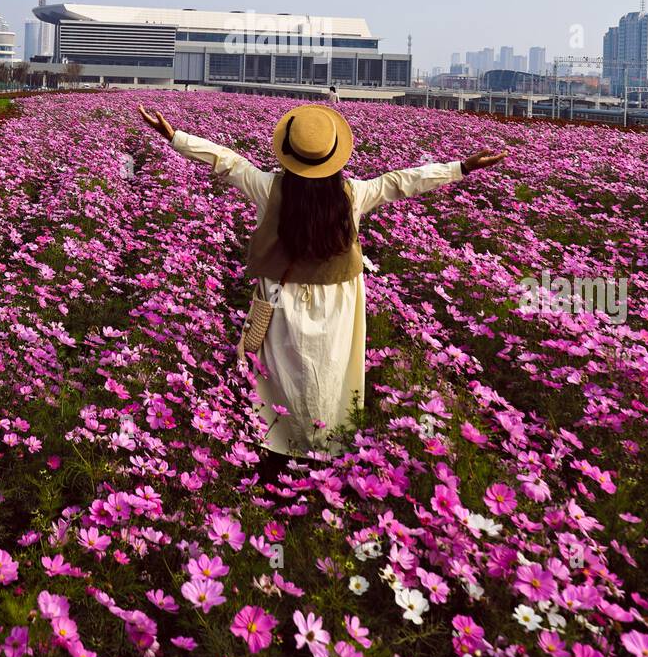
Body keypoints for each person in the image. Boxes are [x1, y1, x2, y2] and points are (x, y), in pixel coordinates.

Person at [138, 102, 506, 475]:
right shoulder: (352, 194)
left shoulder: (268, 188)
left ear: (289, 152)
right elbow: (402, 182)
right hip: (337, 300)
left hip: (281, 297)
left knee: (282, 373)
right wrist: (462, 167)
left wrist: (173, 136)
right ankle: (324, 448)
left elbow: (227, 162)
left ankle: (277, 447)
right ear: (332, 155)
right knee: (330, 370)